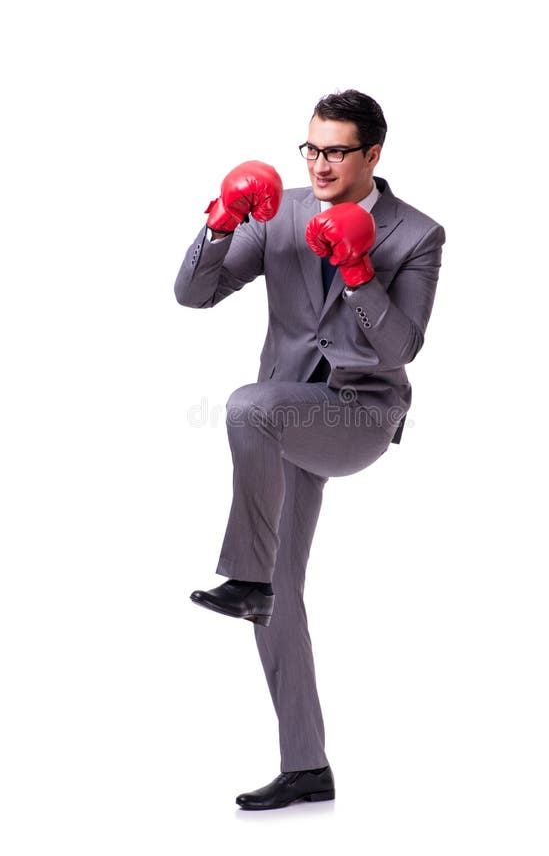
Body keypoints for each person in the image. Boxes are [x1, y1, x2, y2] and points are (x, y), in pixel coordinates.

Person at [174, 89, 445, 810]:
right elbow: (191, 295)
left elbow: (399, 346)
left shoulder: (416, 235)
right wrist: (220, 221)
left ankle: (245, 576)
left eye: (336, 151)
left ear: (372, 154)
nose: (320, 164)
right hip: (286, 419)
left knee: (245, 406)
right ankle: (305, 766)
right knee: (278, 597)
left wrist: (358, 271)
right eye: (311, 148)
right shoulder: (283, 212)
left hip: (358, 414)